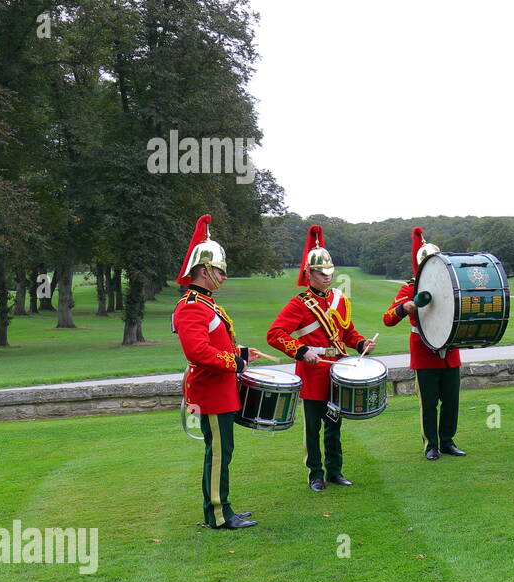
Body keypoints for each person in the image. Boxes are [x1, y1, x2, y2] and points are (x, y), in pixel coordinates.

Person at [171, 215, 270, 530]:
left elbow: (215, 344)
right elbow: (197, 352)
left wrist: (240, 353)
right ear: (204, 271)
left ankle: (224, 507)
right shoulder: (190, 306)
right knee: (218, 455)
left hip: (222, 391)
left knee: (223, 453)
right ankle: (217, 514)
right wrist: (236, 363)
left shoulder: (206, 304)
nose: (224, 277)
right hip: (210, 392)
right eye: (220, 271)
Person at [267, 225, 374, 491]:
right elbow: (274, 333)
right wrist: (301, 351)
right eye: (321, 273)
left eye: (329, 272)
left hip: (337, 372)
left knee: (334, 425)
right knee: (312, 428)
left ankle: (335, 471)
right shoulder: (299, 304)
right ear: (309, 273)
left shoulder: (339, 299)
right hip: (313, 374)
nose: (327, 277)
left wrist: (361, 343)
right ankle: (315, 474)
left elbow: (347, 332)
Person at [383, 228, 465, 460]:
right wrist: (404, 307)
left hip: (449, 349)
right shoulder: (410, 287)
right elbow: (388, 318)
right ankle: (431, 444)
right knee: (428, 403)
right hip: (423, 349)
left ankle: (447, 441)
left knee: (451, 400)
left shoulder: (451, 283)